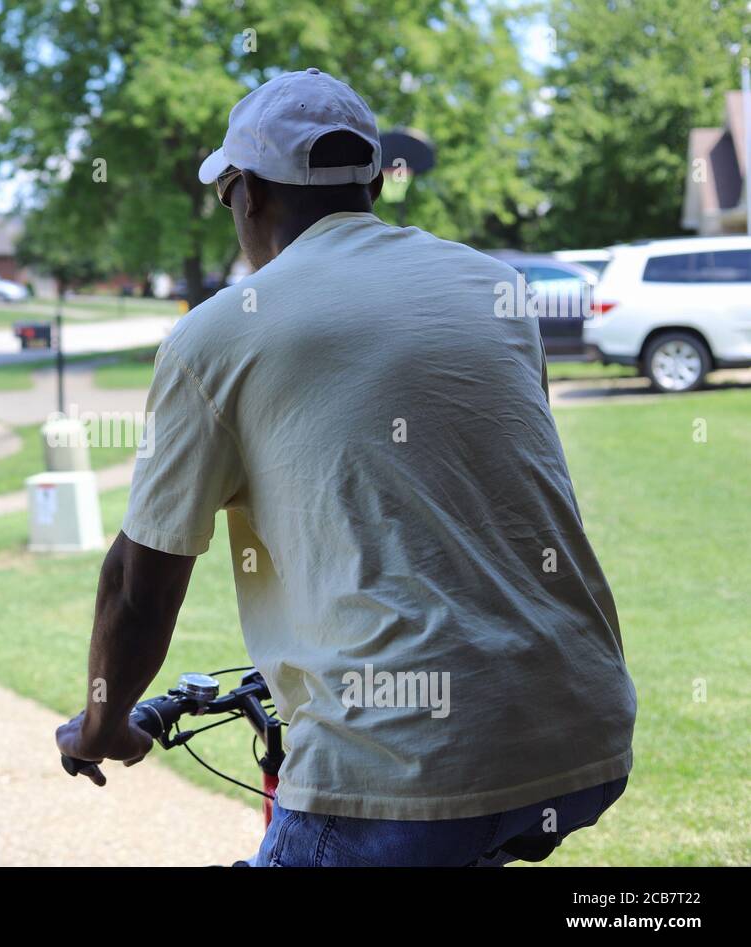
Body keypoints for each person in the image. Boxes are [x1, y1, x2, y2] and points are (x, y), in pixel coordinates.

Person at [55, 68, 636, 866]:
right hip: (579, 722)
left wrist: (101, 724)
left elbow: (137, 582)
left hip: (405, 760)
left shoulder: (218, 336)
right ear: (369, 180)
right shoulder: (496, 288)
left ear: (246, 194)